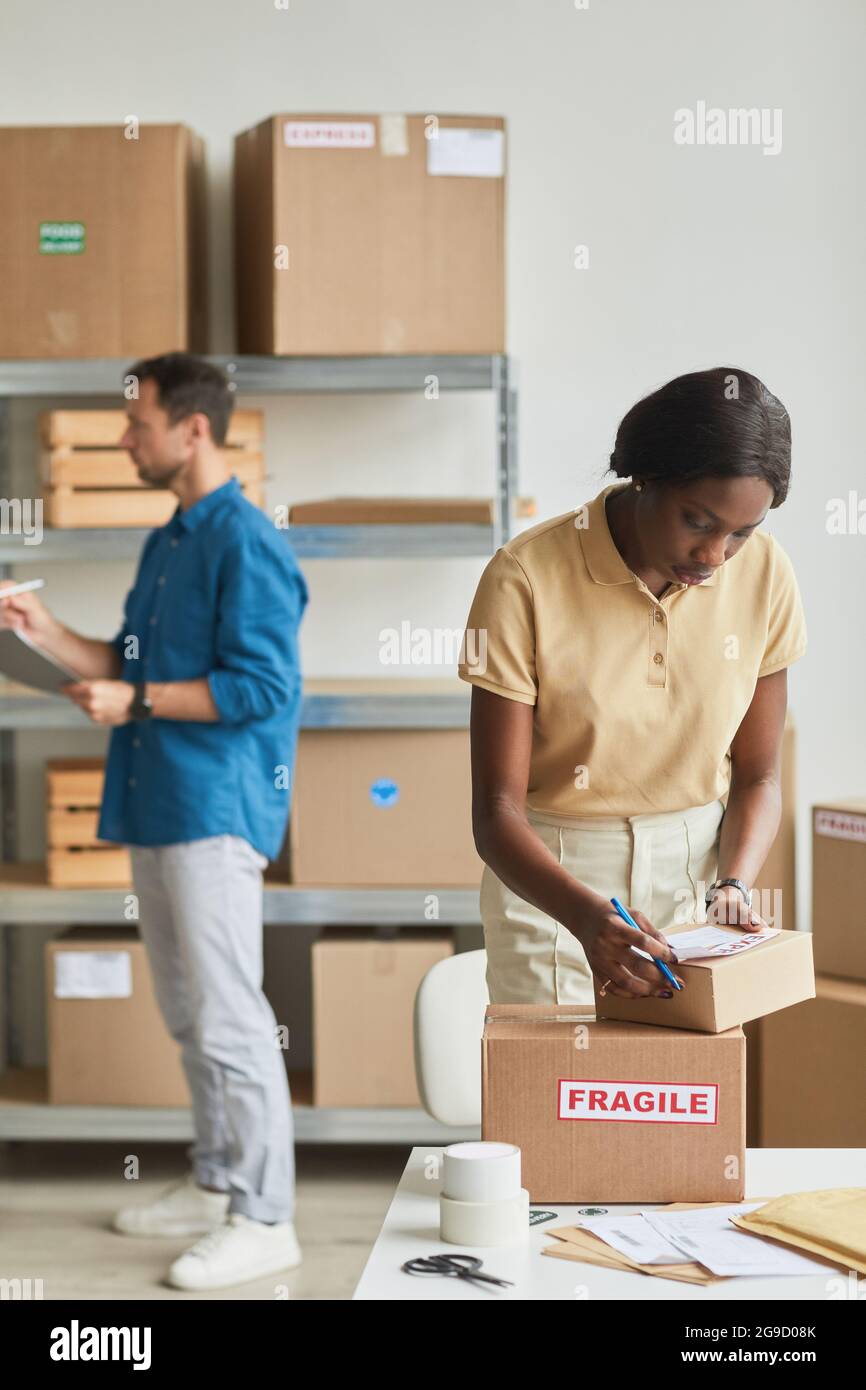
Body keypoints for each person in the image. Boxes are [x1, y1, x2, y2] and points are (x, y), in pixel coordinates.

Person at [0, 353, 308, 1291]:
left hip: (216, 809)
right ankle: (217, 1182)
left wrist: (131, 699)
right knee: (189, 1013)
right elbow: (121, 660)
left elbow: (261, 688)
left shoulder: (246, 542)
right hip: (161, 801)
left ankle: (267, 1218)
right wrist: (40, 631)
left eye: (137, 423)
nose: (124, 438)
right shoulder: (170, 537)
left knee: (228, 1016)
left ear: (194, 429)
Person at [457, 367, 807, 1006]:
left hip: (696, 890)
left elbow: (758, 777)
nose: (715, 556)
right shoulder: (524, 578)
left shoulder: (765, 573)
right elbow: (495, 813)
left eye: (741, 532)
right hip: (554, 887)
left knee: (675, 1103)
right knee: (553, 1100)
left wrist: (731, 888)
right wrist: (588, 919)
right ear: (644, 478)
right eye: (697, 521)